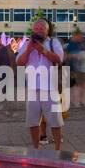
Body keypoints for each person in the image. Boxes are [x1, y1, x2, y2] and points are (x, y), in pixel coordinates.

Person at [16, 18, 65, 150]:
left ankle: (58, 149)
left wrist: (43, 50)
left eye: (41, 29)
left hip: (50, 88)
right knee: (32, 121)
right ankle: (35, 148)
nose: (38, 31)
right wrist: (29, 50)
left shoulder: (54, 42)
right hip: (33, 89)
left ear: (47, 31)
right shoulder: (27, 44)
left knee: (55, 121)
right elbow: (19, 62)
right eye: (36, 29)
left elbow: (59, 60)